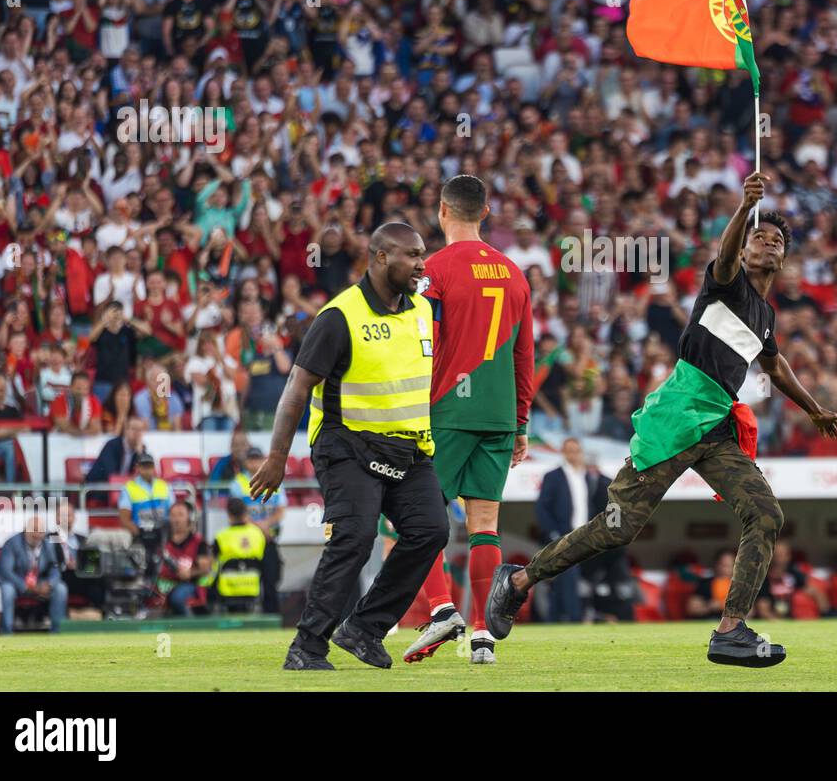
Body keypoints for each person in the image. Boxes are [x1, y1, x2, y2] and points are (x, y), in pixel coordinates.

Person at [486, 173, 837, 667]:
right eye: (759, 238)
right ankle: (518, 580)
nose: (768, 242)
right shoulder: (726, 282)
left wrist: (813, 409)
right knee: (617, 528)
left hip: (716, 424)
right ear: (744, 252)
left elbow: (772, 363)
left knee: (766, 514)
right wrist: (744, 209)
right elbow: (723, 256)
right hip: (677, 417)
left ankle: (730, 630)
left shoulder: (764, 316)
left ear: (784, 260)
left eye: (777, 240)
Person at [249, 222, 449, 671]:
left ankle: (363, 628)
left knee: (431, 531)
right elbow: (296, 389)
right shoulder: (340, 316)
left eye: (423, 254)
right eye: (412, 255)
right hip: (348, 447)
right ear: (380, 258)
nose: (422, 264)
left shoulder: (421, 312)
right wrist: (278, 456)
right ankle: (306, 647)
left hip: (410, 450)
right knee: (355, 538)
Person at [402, 175, 534, 665]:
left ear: (442, 211)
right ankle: (482, 635)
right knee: (484, 526)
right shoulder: (515, 274)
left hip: (447, 409)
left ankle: (440, 610)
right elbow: (525, 355)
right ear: (484, 213)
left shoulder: (432, 271)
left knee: (412, 517)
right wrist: (520, 423)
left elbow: (423, 345)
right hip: (498, 414)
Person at [533, 436, 610, 623]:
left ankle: (554, 618)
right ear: (563, 452)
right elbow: (542, 507)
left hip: (584, 535)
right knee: (569, 574)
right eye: (569, 450)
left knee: (563, 580)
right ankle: (574, 617)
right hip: (563, 535)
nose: (573, 455)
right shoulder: (553, 476)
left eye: (576, 451)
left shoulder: (589, 477)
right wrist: (552, 532)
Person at [230, 446, 284, 614]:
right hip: (247, 542)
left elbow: (280, 510)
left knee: (271, 579)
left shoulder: (275, 479)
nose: (254, 463)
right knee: (246, 578)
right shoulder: (238, 483)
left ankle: (271, 616)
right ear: (245, 462)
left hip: (269, 539)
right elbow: (238, 511)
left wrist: (265, 524)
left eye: (257, 459)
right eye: (251, 459)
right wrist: (261, 528)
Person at [0, 517, 67, 634]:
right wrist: (25, 586)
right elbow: (6, 571)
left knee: (60, 589)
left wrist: (49, 584)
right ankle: (6, 632)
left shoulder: (48, 543)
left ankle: (57, 633)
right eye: (34, 530)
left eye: (40, 532)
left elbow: (55, 568)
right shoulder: (12, 543)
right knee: (7, 590)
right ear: (25, 530)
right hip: (17, 583)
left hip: (40, 582)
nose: (37, 535)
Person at [157, 501, 212, 616]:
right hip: (164, 585)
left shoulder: (199, 543)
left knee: (178, 597)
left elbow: (205, 568)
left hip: (190, 585)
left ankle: (189, 625)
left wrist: (190, 573)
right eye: (173, 515)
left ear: (190, 518)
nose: (176, 519)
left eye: (181, 515)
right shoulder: (162, 543)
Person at [212, 497, 266, 611]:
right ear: (246, 512)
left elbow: (213, 565)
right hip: (252, 588)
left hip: (227, 590)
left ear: (228, 514)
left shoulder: (221, 536)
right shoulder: (258, 534)